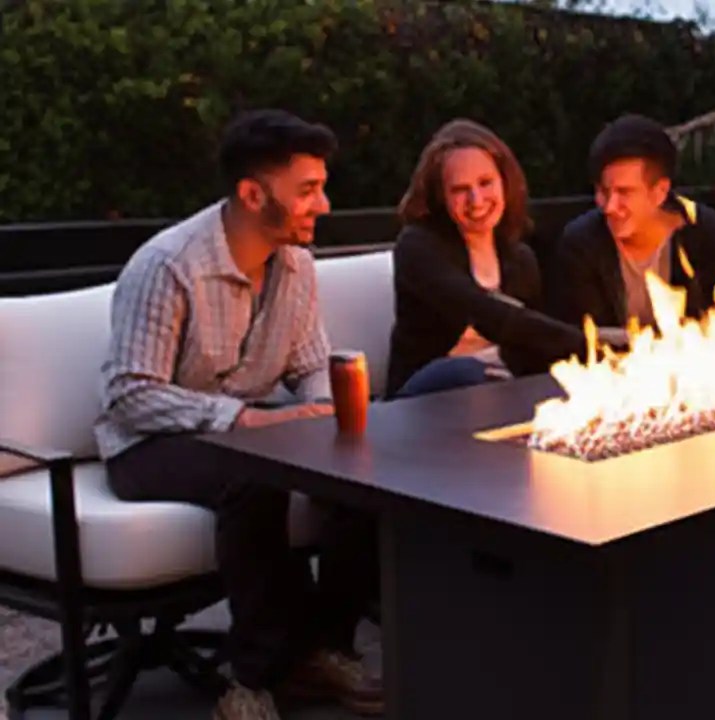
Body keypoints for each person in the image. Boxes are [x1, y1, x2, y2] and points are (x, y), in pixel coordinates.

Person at [96, 110, 382, 719]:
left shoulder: (296, 264)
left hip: (248, 431)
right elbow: (129, 394)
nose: (324, 205)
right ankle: (250, 681)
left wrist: (327, 412)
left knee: (364, 461)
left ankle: (324, 651)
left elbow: (307, 364)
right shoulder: (168, 265)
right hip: (148, 443)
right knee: (253, 474)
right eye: (307, 190)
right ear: (253, 194)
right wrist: (243, 419)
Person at [386, 119, 589, 398]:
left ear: (505, 182)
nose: (476, 199)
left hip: (504, 389)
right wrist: (589, 341)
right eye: (459, 189)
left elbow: (533, 343)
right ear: (441, 197)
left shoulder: (520, 258)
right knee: (468, 372)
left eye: (485, 183)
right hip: (425, 393)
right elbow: (482, 311)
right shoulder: (418, 246)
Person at [553, 114, 715, 341]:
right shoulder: (582, 242)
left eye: (624, 192)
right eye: (603, 191)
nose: (609, 206)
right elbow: (581, 333)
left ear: (659, 192)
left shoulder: (704, 232)